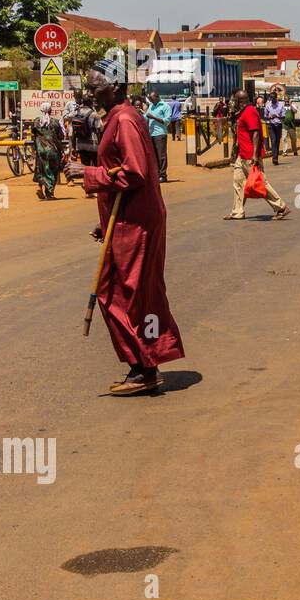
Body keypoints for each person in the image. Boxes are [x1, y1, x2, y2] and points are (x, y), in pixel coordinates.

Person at [64, 62, 185, 396]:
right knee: (121, 291)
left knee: (125, 294)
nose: (90, 92)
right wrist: (106, 223)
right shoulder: (117, 118)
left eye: (95, 86)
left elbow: (134, 173)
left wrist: (87, 174)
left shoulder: (126, 120)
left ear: (115, 86)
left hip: (138, 224)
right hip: (127, 220)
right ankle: (144, 364)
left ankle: (145, 367)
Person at [224, 88, 290, 221]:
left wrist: (254, 155)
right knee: (238, 182)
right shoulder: (242, 112)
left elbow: (255, 133)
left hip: (250, 155)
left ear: (239, 100)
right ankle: (237, 212)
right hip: (242, 155)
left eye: (235, 100)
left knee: (260, 182)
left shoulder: (250, 112)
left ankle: (281, 207)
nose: (233, 103)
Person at [68, 92, 103, 198]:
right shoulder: (94, 114)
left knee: (85, 166)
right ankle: (96, 187)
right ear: (91, 102)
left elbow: (73, 130)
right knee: (96, 166)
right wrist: (100, 143)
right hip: (92, 143)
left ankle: (87, 188)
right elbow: (99, 129)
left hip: (80, 143)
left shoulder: (75, 113)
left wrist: (73, 146)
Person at [31, 101, 66, 200]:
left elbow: (33, 136)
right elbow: (59, 137)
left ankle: (39, 187)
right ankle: (50, 193)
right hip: (52, 151)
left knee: (40, 169)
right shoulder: (55, 122)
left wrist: (34, 149)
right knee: (52, 171)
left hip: (40, 150)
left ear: (41, 110)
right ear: (50, 111)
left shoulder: (36, 121)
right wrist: (62, 151)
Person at [144, 89, 170, 182]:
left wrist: (153, 117)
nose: (150, 101)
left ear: (157, 97)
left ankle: (163, 175)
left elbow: (167, 121)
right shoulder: (151, 106)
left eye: (152, 98)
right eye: (149, 99)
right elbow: (146, 117)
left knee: (161, 155)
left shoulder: (165, 106)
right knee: (153, 156)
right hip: (151, 134)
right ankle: (156, 174)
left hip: (160, 134)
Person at [263, 90, 285, 164]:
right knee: (273, 140)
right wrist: (270, 117)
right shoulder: (268, 105)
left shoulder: (281, 105)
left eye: (273, 98)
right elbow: (265, 116)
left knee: (277, 141)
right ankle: (274, 158)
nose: (272, 100)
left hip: (278, 125)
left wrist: (278, 116)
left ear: (276, 98)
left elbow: (283, 116)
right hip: (271, 125)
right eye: (271, 99)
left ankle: (276, 157)